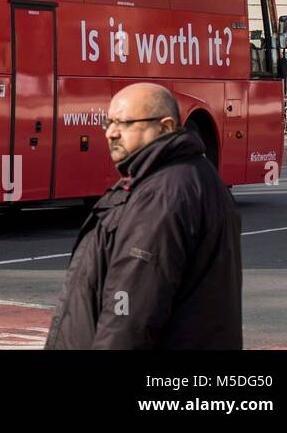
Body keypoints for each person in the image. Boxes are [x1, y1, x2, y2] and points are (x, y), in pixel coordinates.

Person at [45, 82, 242, 349]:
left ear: (165, 127)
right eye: (109, 123)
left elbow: (129, 316)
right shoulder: (189, 179)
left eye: (124, 123)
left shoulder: (161, 196)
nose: (111, 133)